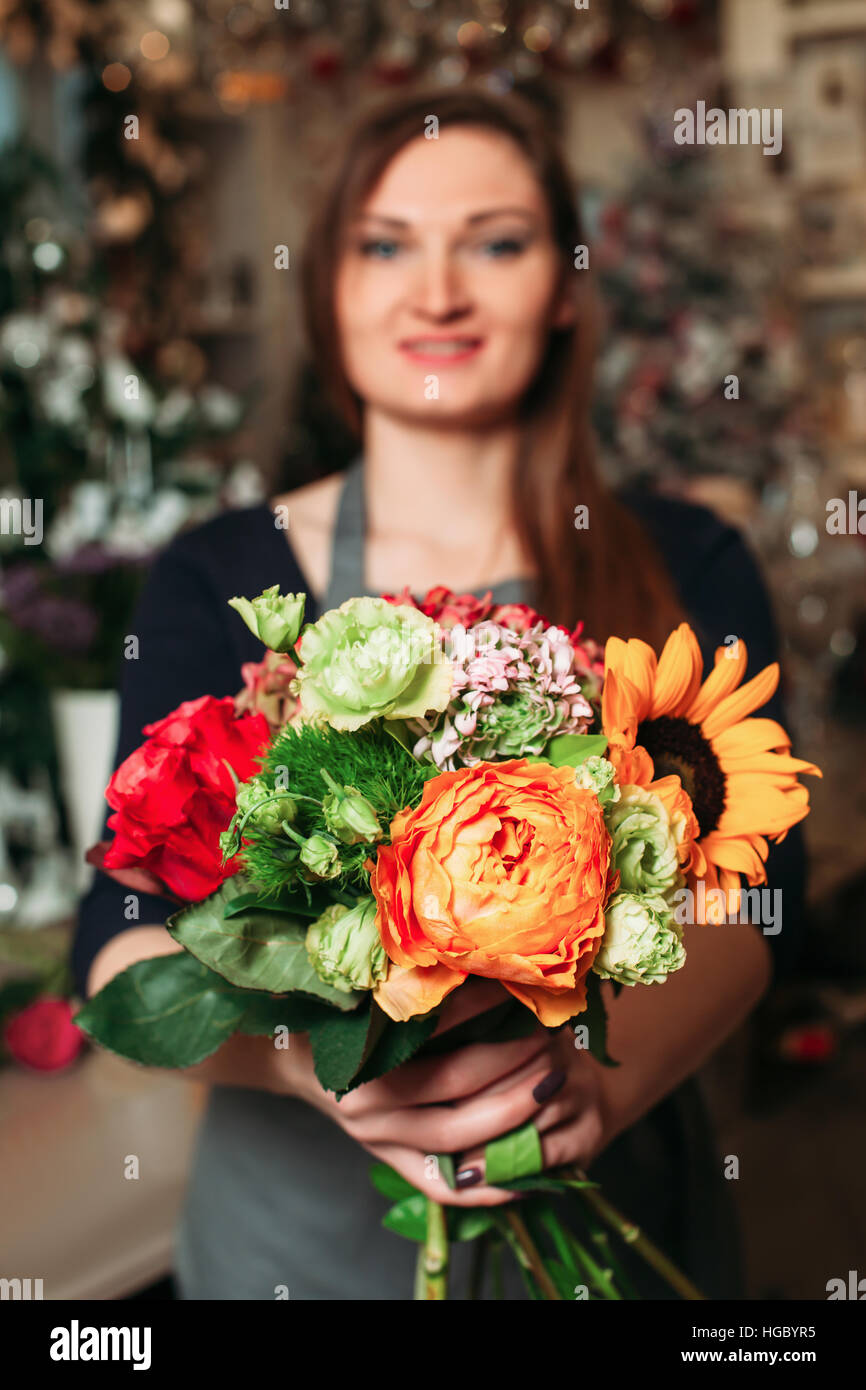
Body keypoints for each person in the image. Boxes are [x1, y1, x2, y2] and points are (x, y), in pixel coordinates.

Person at [73, 87, 807, 1300]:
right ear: (329, 288)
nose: (437, 294)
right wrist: (332, 1068)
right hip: (296, 1253)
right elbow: (119, 936)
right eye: (383, 245)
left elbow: (753, 905)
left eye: (497, 241)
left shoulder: (686, 561)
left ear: (566, 285)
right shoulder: (217, 576)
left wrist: (591, 1085)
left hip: (616, 1219)